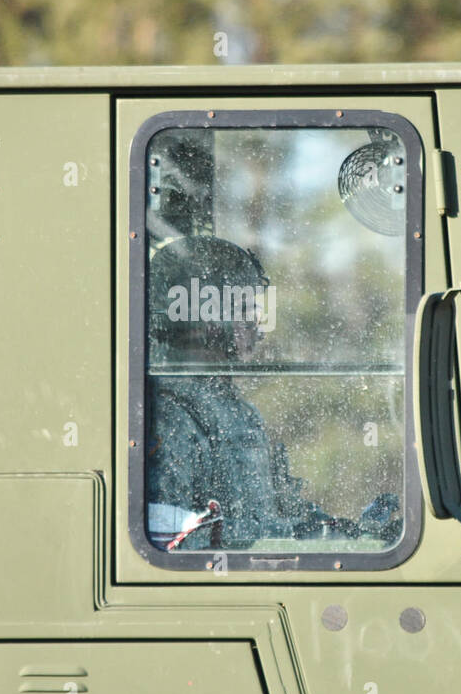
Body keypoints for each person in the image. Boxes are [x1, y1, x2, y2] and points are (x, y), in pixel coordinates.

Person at [145, 234, 392, 551]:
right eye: (246, 311)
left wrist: (348, 534)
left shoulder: (236, 412)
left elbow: (280, 510)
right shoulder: (168, 416)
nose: (259, 327)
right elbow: (169, 541)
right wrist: (282, 538)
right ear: (207, 319)